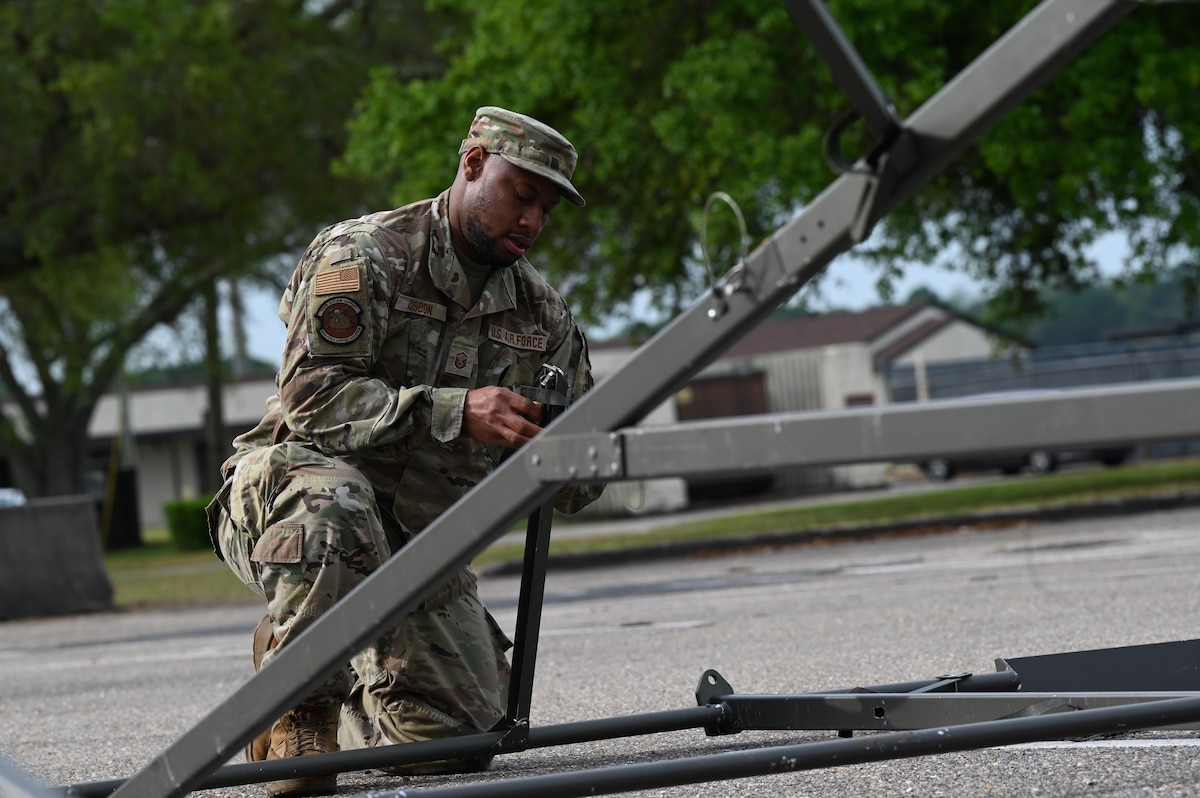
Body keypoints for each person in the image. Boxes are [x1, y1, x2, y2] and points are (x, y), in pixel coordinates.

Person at [206, 106, 604, 797]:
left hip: (412, 545)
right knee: (338, 502)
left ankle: (335, 669)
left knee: (459, 744)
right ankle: (300, 710)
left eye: (545, 209)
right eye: (522, 195)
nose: (532, 222)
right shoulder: (364, 254)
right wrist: (456, 411)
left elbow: (576, 486)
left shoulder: (542, 318)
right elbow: (312, 399)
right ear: (474, 164)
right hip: (287, 498)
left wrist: (548, 453)